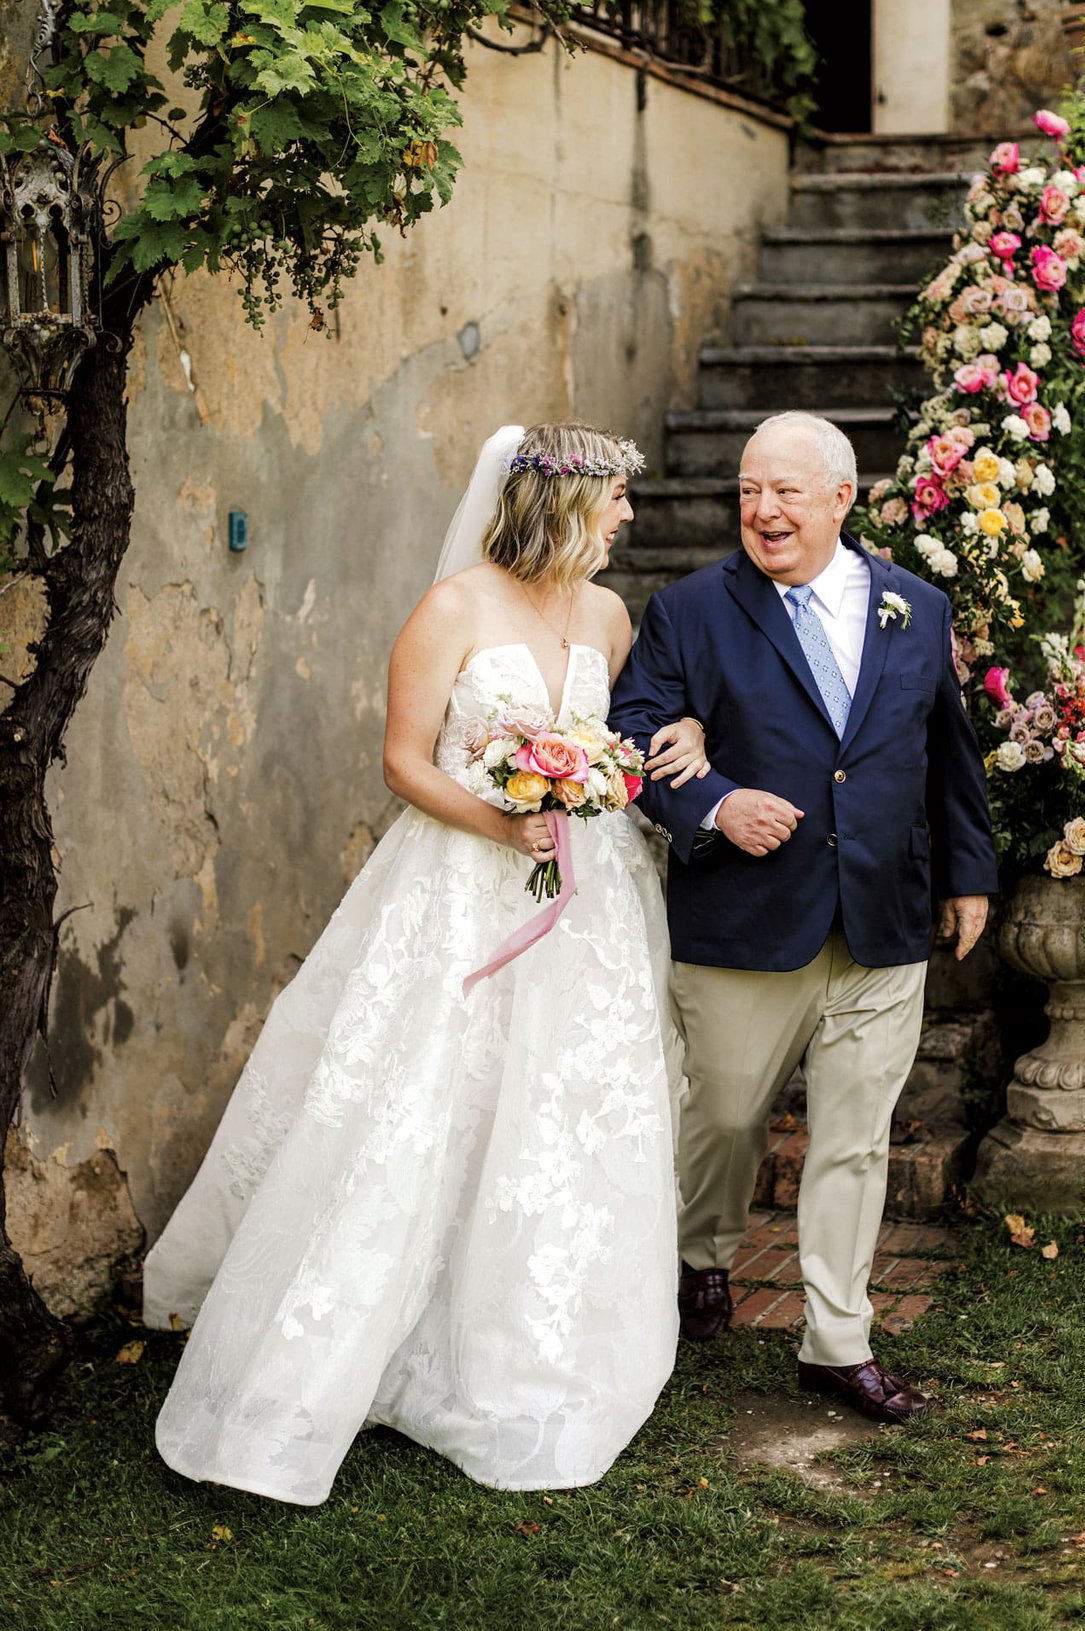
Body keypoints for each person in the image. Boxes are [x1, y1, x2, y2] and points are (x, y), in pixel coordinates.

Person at [143, 423, 709, 1503]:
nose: (631, 516)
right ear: (560, 502)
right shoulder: (452, 606)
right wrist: (502, 826)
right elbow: (404, 759)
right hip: (455, 887)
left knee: (552, 1109)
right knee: (419, 1100)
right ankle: (332, 1351)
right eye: (617, 499)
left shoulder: (605, 614)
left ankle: (530, 1348)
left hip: (579, 897)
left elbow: (609, 740)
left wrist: (651, 748)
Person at [609, 410, 997, 1424]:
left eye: (783, 490)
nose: (761, 509)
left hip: (881, 917)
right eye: (746, 490)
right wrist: (711, 804)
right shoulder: (689, 610)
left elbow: (945, 756)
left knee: (853, 1138)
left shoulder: (913, 606)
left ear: (840, 498)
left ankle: (836, 1339)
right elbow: (627, 733)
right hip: (743, 919)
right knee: (727, 1114)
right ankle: (699, 1252)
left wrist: (968, 877)